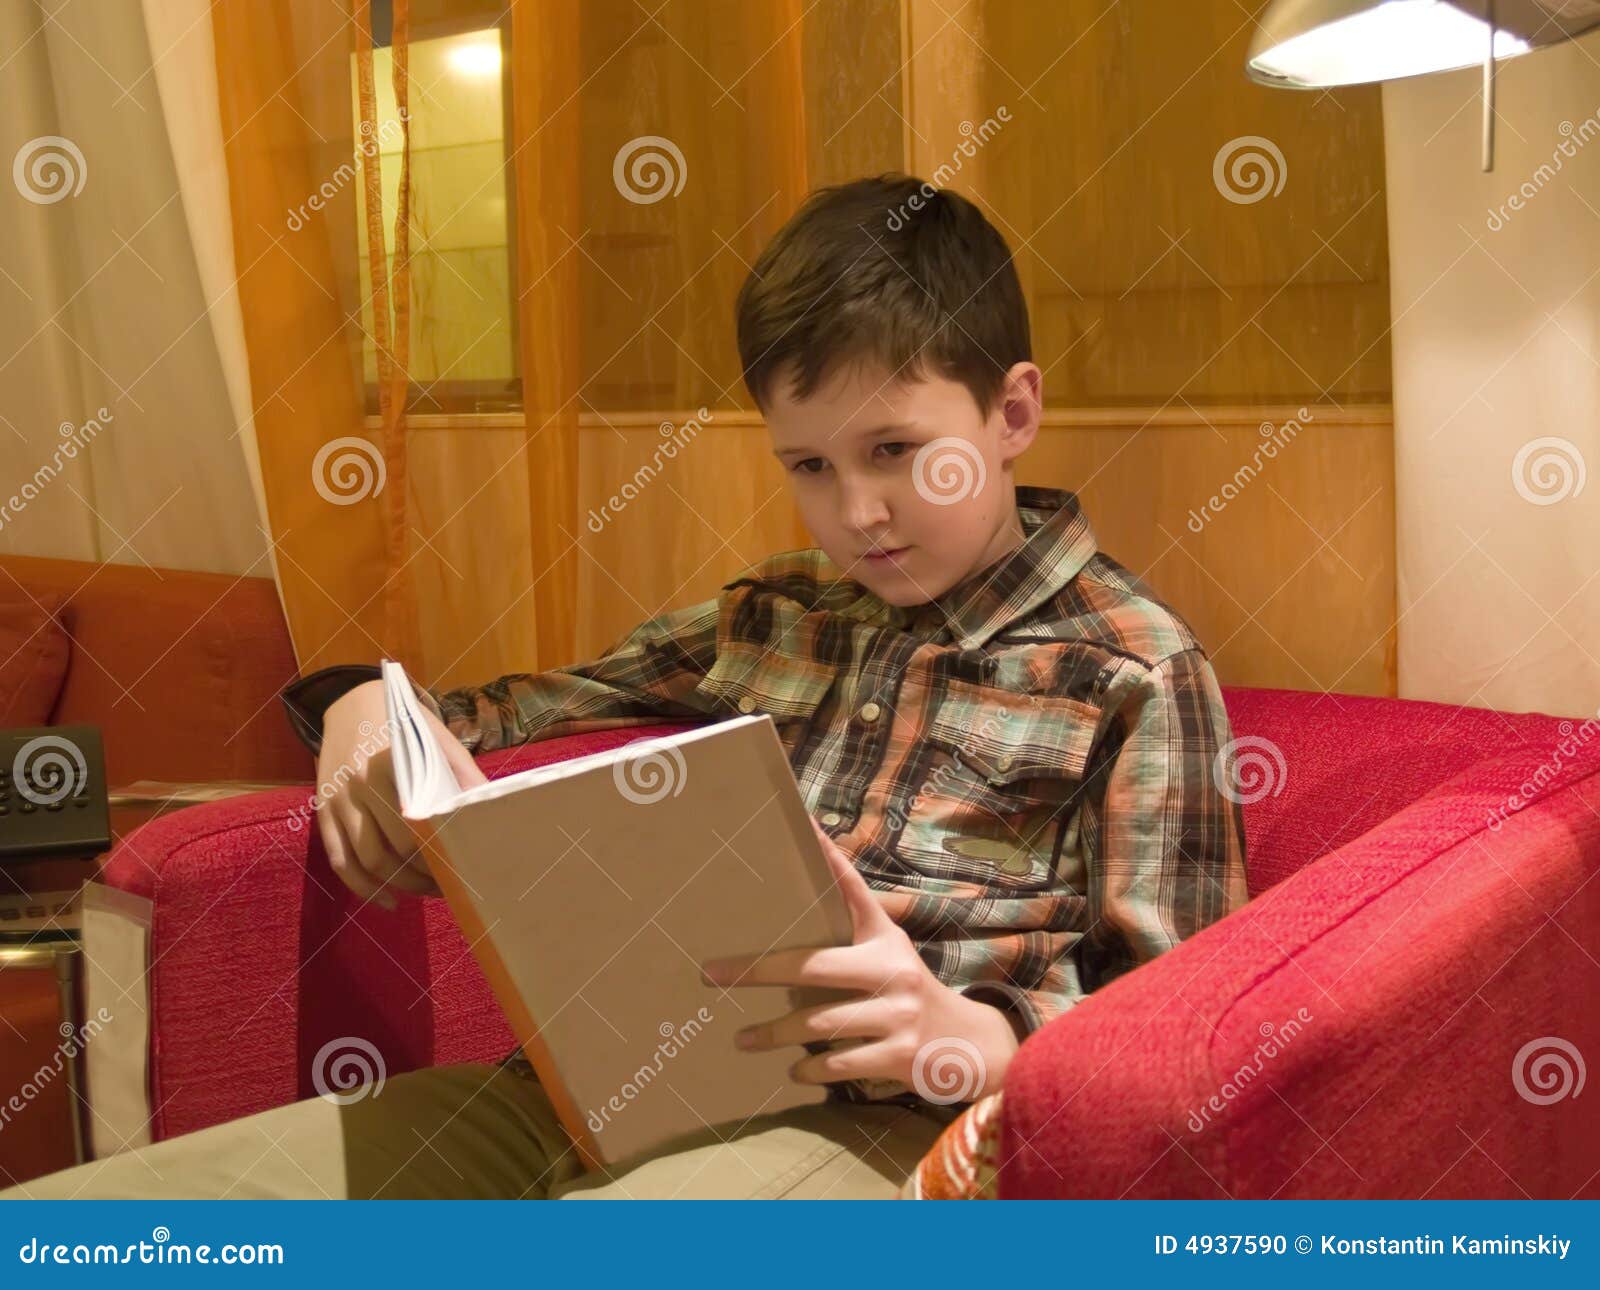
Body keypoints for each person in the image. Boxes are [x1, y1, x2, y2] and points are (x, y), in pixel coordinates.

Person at [4, 174, 1248, 1201]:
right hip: (595, 1089)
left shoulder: (1132, 666)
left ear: (1011, 410)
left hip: (879, 1130)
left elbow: (1184, 1024)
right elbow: (514, 709)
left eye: (895, 454)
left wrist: (968, 1036)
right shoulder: (772, 613)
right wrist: (356, 705)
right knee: (99, 1222)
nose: (854, 513)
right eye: (809, 466)